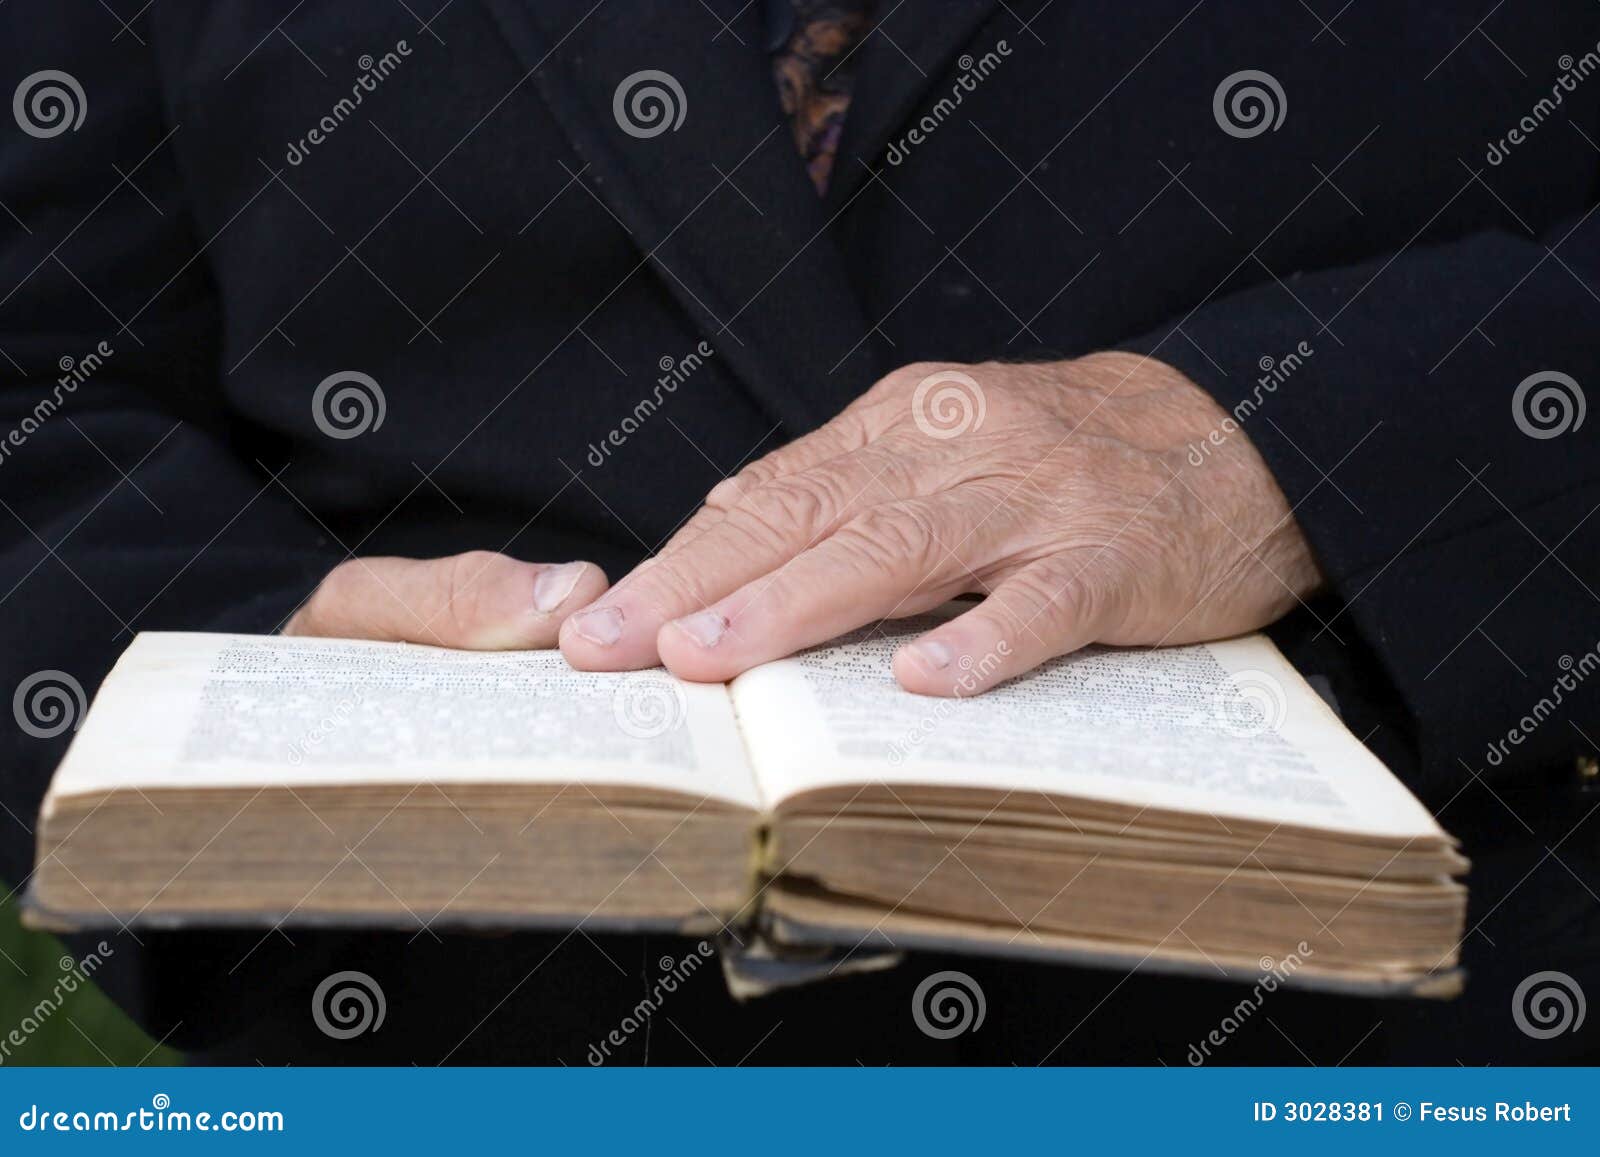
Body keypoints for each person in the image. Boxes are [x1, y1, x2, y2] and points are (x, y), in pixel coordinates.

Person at [1, 1, 1595, 1064]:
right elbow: (36, 376)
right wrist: (242, 642)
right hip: (442, 1036)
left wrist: (1287, 437)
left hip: (1413, 1012)